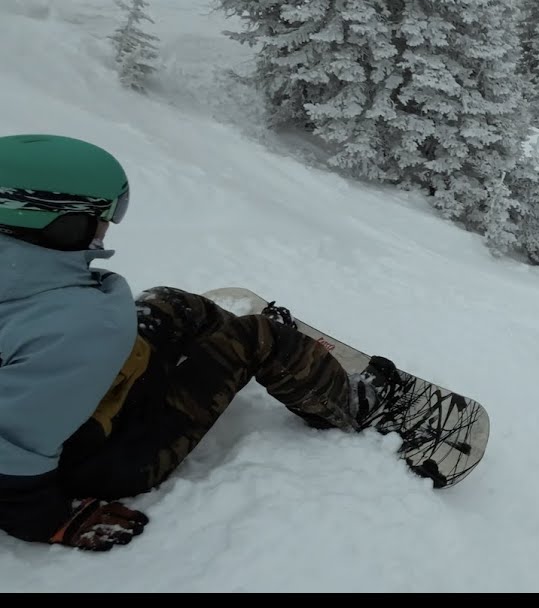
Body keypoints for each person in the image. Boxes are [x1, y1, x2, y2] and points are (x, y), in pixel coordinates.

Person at [0, 134, 404, 552]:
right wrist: (53, 519)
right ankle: (353, 405)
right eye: (104, 214)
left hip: (96, 391)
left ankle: (218, 340)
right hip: (110, 455)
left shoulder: (36, 291)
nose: (109, 226)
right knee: (260, 338)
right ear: (59, 221)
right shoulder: (75, 328)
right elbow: (8, 446)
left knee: (171, 303)